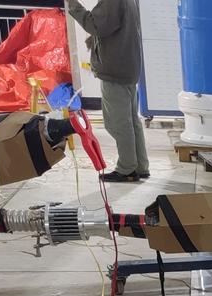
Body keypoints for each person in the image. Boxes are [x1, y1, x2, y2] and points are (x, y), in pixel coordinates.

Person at [67, 0, 150, 182]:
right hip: (127, 67)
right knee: (131, 121)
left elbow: (96, 25)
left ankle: (127, 169)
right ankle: (140, 166)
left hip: (115, 70)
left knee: (118, 123)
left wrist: (73, 5)